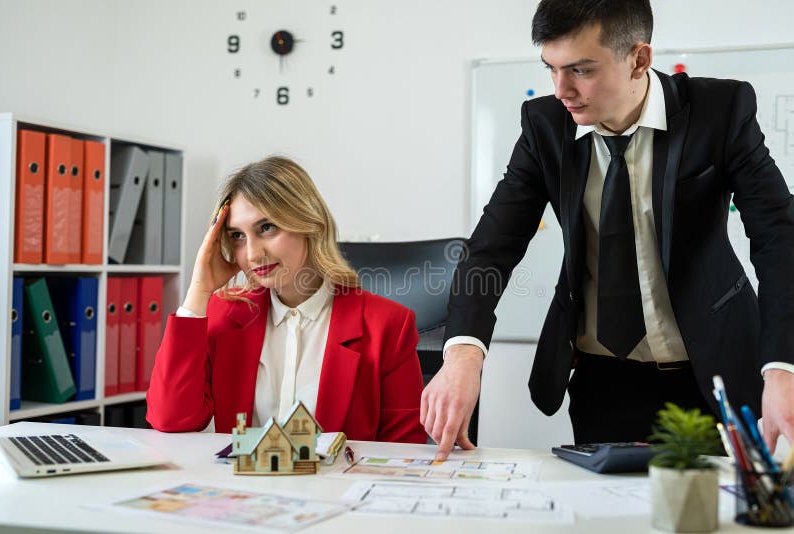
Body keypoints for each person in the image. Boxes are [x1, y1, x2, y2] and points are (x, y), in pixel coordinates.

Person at [422, 0, 794, 459]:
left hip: (714, 370)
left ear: (639, 59)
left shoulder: (720, 112)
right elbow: (491, 249)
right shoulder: (544, 127)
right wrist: (463, 354)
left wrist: (782, 368)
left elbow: (781, 237)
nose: (562, 89)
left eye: (580, 70)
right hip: (605, 379)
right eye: (552, 68)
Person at [147, 156, 426, 444]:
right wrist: (199, 290)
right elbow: (170, 418)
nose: (253, 254)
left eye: (266, 227)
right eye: (237, 236)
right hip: (245, 487)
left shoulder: (389, 325)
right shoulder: (225, 314)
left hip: (336, 486)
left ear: (308, 222)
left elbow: (404, 453)